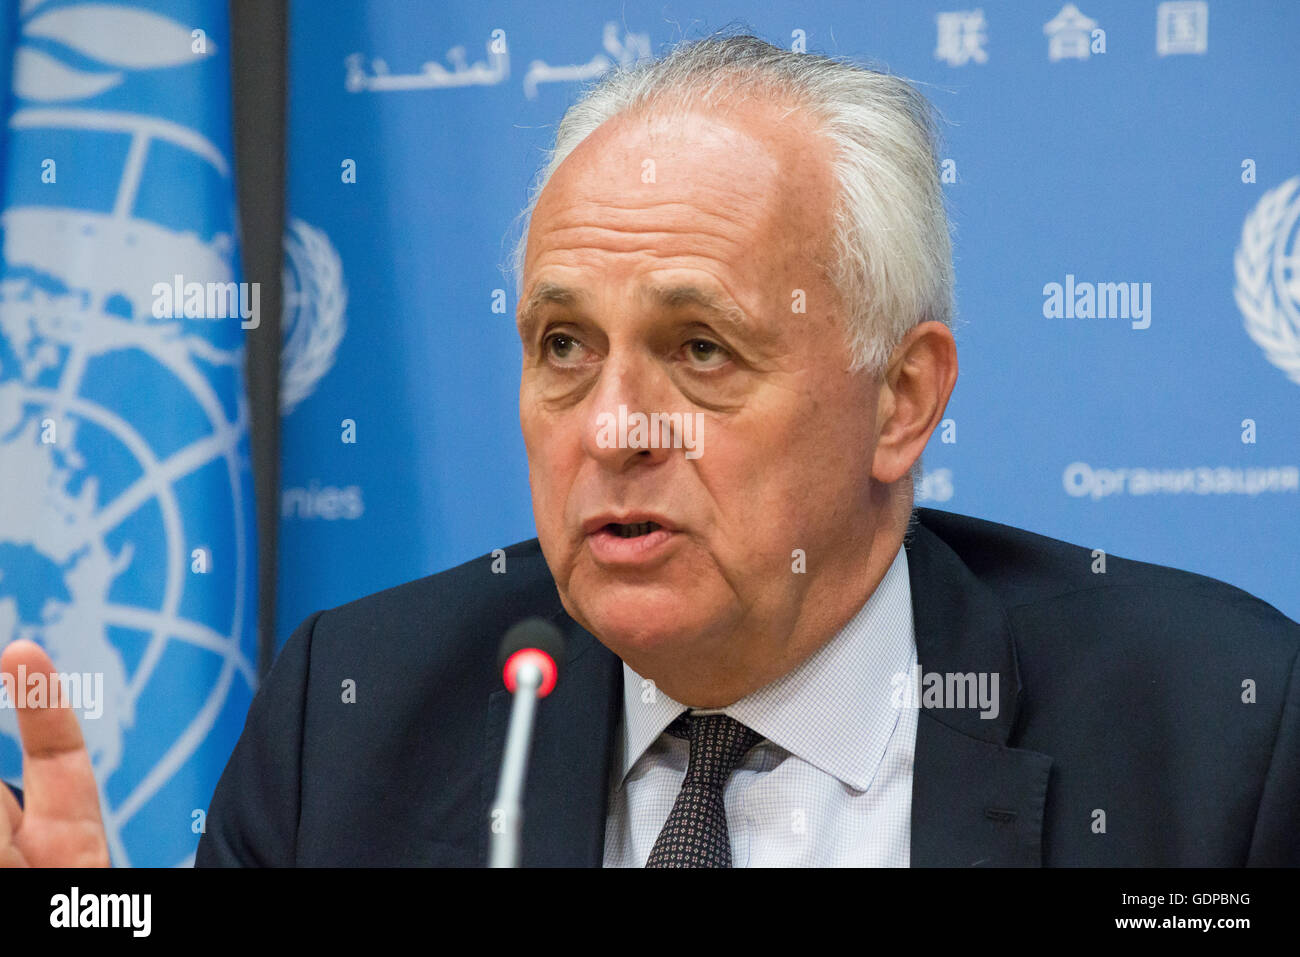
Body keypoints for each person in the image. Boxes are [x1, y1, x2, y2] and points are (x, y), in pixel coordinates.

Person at [3, 34, 1297, 868]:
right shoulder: (355, 719)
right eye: (564, 345)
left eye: (701, 350)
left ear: (901, 399)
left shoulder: (1212, 741)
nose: (613, 429)